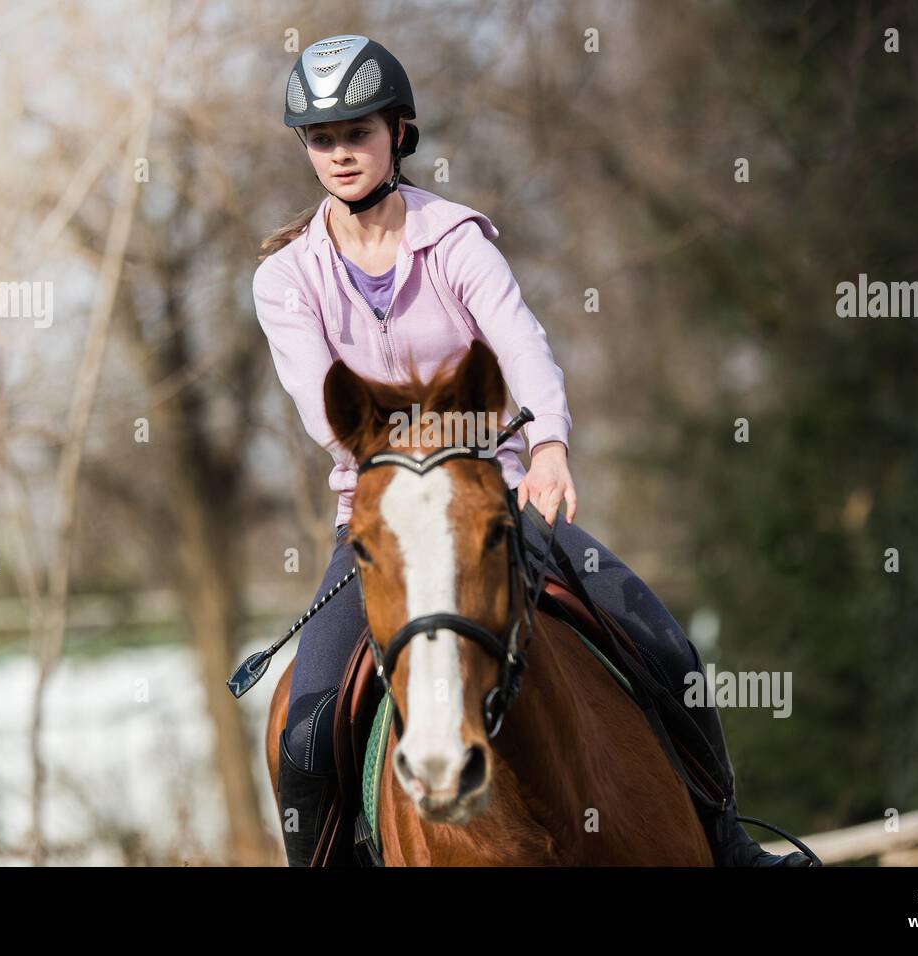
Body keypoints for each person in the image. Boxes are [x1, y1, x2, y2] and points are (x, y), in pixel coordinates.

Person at [252, 34, 810, 867]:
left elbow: (522, 343)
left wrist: (548, 441)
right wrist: (412, 458)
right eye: (322, 139)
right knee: (305, 728)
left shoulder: (458, 240)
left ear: (398, 132)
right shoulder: (286, 280)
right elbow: (320, 405)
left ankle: (728, 844)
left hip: (494, 503)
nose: (339, 153)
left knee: (667, 649)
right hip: (382, 520)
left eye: (356, 132)